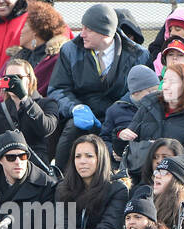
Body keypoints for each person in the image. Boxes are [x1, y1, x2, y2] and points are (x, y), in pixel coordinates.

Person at [48, 5, 150, 170]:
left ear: (104, 32)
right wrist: (76, 108)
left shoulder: (138, 55)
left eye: (88, 29)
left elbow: (142, 92)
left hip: (122, 117)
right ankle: (60, 180)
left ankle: (122, 183)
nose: (82, 34)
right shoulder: (70, 50)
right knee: (71, 129)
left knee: (123, 138)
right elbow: (58, 89)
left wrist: (117, 112)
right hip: (84, 117)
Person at [36, 135, 127, 229]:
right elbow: (62, 224)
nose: (82, 161)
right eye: (78, 156)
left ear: (101, 159)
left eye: (89, 156)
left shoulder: (117, 189)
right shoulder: (63, 187)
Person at [0, 58, 59, 167]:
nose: (12, 82)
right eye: (8, 78)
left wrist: (24, 98)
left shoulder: (47, 104)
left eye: (18, 78)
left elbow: (46, 128)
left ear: (29, 80)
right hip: (6, 170)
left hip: (36, 170)